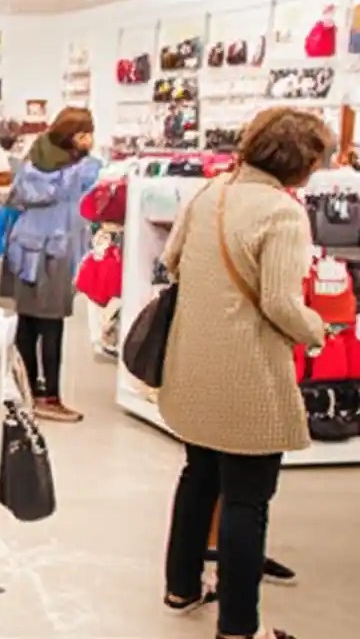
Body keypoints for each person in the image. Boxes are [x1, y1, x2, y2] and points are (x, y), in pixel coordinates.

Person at [159, 107, 333, 639]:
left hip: (195, 365)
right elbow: (281, 302)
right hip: (250, 375)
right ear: (301, 161)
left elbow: (171, 260)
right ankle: (239, 627)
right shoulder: (282, 214)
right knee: (246, 499)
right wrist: (318, 329)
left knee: (198, 478)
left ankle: (181, 586)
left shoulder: (211, 194)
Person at [0, 107, 100, 422]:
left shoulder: (32, 161)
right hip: (54, 252)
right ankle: (50, 398)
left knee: (27, 324)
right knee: (52, 326)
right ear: (72, 136)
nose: (90, 140)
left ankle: (26, 391)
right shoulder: (83, 170)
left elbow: (14, 200)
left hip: (22, 248)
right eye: (85, 133)